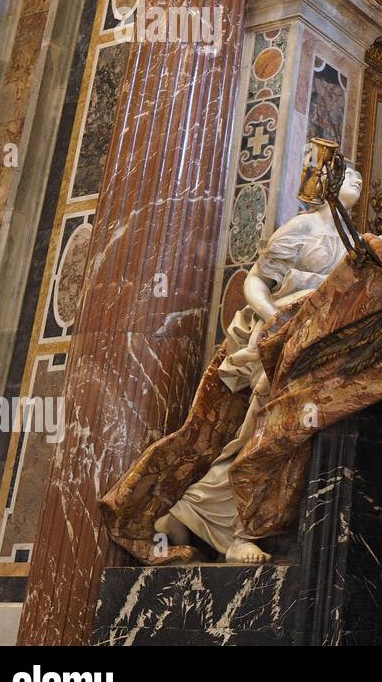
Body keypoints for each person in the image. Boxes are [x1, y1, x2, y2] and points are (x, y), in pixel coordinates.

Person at [153, 165, 368, 563]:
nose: (356, 179)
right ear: (327, 183)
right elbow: (254, 282)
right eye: (348, 175)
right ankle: (231, 531)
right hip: (284, 335)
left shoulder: (355, 239)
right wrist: (275, 321)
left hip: (323, 340)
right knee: (264, 431)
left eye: (358, 176)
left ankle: (195, 510)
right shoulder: (302, 228)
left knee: (281, 436)